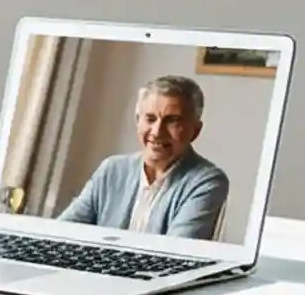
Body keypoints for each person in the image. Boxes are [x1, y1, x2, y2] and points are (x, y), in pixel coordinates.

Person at [57, 75, 228, 239]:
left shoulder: (207, 181)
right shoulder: (112, 169)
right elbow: (64, 230)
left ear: (195, 130)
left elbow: (175, 254)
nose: (157, 132)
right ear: (138, 120)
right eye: (150, 119)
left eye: (172, 121)